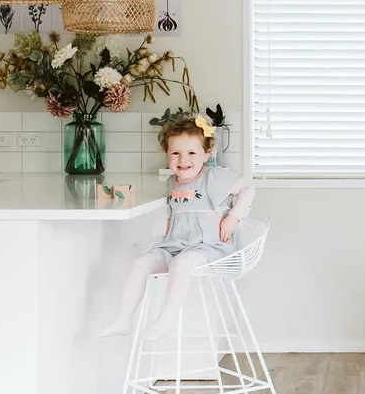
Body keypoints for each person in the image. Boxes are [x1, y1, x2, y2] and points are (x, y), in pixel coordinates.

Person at [99, 116, 255, 341]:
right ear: (167, 154)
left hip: (209, 246)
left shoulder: (213, 176)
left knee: (181, 264)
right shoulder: (172, 182)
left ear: (206, 154)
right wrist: (167, 238)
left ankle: (166, 320)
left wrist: (234, 217)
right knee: (141, 263)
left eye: (192, 153)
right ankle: (124, 319)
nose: (183, 159)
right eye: (175, 153)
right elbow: (174, 215)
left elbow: (248, 189)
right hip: (176, 244)